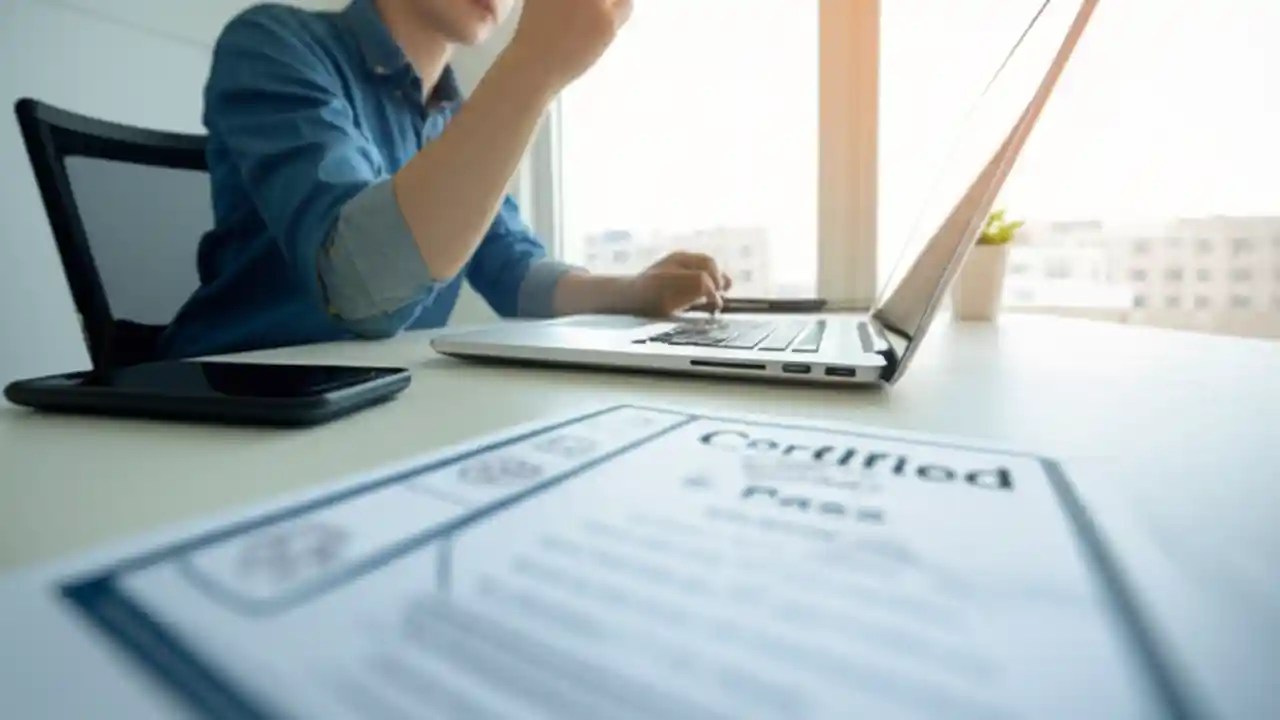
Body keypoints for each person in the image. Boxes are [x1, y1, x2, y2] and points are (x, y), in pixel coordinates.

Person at [159, 0, 732, 359]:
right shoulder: (275, 42)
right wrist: (534, 65)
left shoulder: (459, 124)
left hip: (378, 403)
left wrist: (633, 292)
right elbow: (360, 290)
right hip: (225, 409)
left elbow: (516, 273)